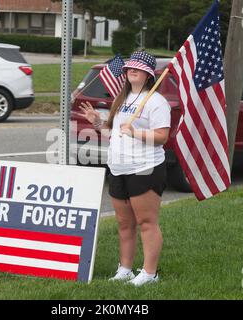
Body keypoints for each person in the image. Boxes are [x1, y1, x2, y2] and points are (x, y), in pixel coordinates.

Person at [78, 51, 171, 286]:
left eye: (138, 68)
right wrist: (97, 123)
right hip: (118, 167)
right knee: (124, 223)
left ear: (149, 74)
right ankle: (125, 269)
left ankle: (150, 273)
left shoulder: (155, 101)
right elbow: (114, 133)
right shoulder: (123, 98)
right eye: (130, 67)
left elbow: (162, 137)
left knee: (146, 221)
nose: (132, 70)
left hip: (145, 167)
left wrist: (136, 132)